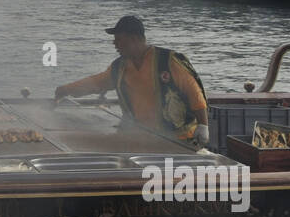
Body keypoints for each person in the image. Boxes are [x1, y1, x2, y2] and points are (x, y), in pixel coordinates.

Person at [54, 15, 209, 147]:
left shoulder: (168, 61)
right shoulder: (120, 67)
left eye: (119, 39)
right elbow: (97, 83)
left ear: (134, 39)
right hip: (141, 136)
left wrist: (203, 125)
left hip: (179, 139)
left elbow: (194, 93)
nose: (114, 43)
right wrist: (66, 89)